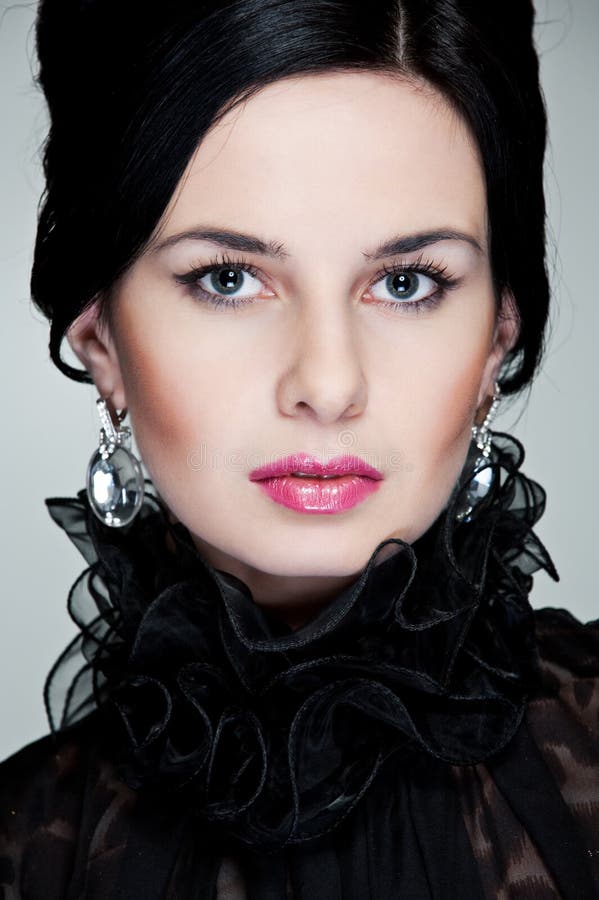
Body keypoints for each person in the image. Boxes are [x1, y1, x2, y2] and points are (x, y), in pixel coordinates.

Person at [1, 0, 598, 897]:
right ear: (102, 343)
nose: (326, 383)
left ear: (496, 339)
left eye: (405, 283)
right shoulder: (24, 848)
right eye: (228, 279)